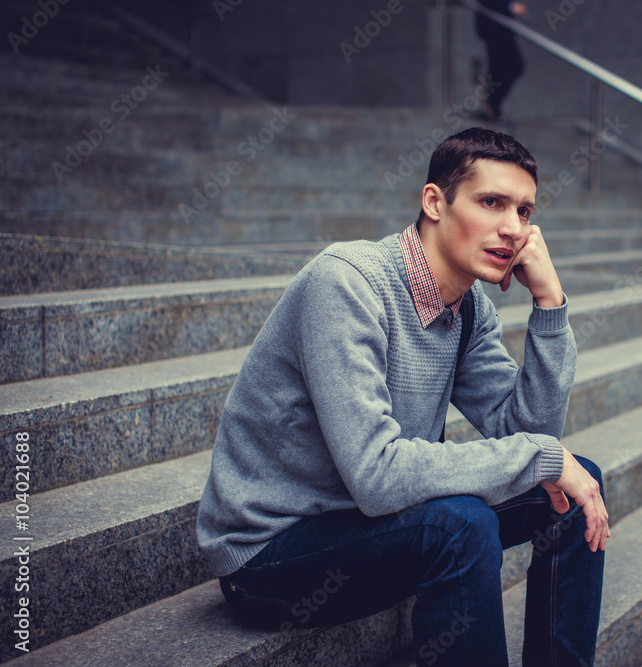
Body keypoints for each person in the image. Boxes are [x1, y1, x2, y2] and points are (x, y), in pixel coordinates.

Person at [196, 127, 609, 665]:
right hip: (272, 553)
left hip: (375, 525)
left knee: (580, 489)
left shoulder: (468, 309)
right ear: (435, 202)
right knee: (461, 525)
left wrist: (549, 304)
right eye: (491, 203)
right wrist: (542, 457)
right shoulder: (347, 283)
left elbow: (529, 431)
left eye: (525, 212)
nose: (513, 229)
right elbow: (376, 475)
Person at [475, 0, 527, 122]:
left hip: (498, 26)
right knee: (512, 66)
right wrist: (510, 7)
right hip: (494, 26)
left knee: (499, 68)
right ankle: (492, 104)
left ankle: (492, 105)